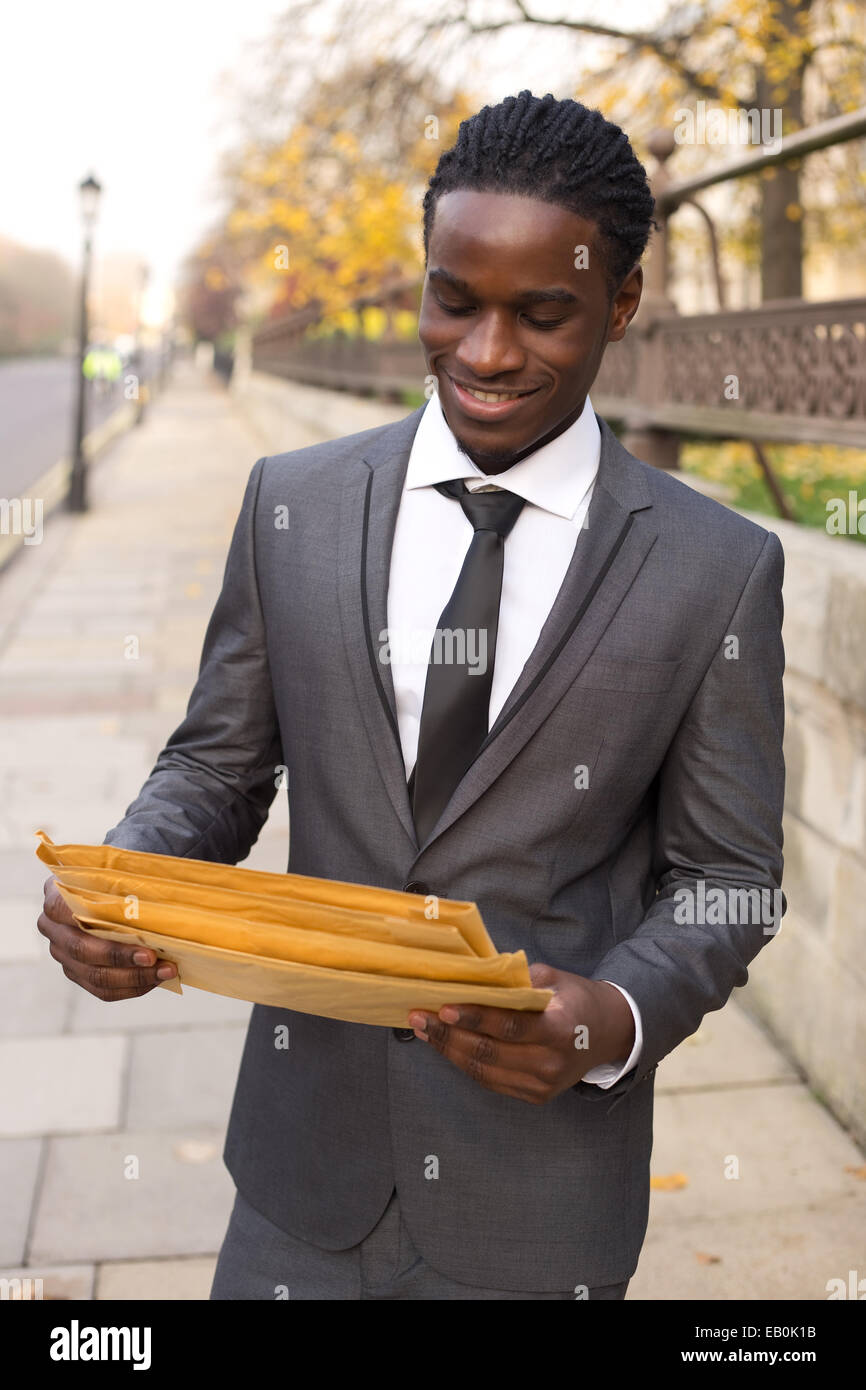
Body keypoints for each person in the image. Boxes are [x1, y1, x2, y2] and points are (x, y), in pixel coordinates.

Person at [38, 91, 786, 1301]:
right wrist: (125, 880)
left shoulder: (716, 568)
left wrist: (608, 1018)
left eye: (543, 314)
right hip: (299, 1176)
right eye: (454, 300)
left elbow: (727, 878)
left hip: (540, 1202)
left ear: (623, 302)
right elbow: (218, 767)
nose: (486, 353)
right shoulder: (296, 502)